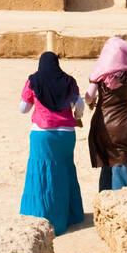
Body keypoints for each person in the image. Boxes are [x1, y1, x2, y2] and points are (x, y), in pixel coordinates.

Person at [19, 50, 84, 235]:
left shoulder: (33, 81)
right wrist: (77, 116)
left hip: (43, 134)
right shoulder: (69, 81)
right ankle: (68, 216)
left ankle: (41, 216)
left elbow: (23, 109)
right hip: (66, 134)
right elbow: (79, 105)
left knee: (42, 174)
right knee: (64, 171)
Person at [85, 36, 127, 192]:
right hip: (123, 125)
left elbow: (88, 97)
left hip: (101, 125)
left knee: (106, 163)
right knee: (121, 163)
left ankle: (104, 207)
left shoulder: (99, 75)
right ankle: (121, 206)